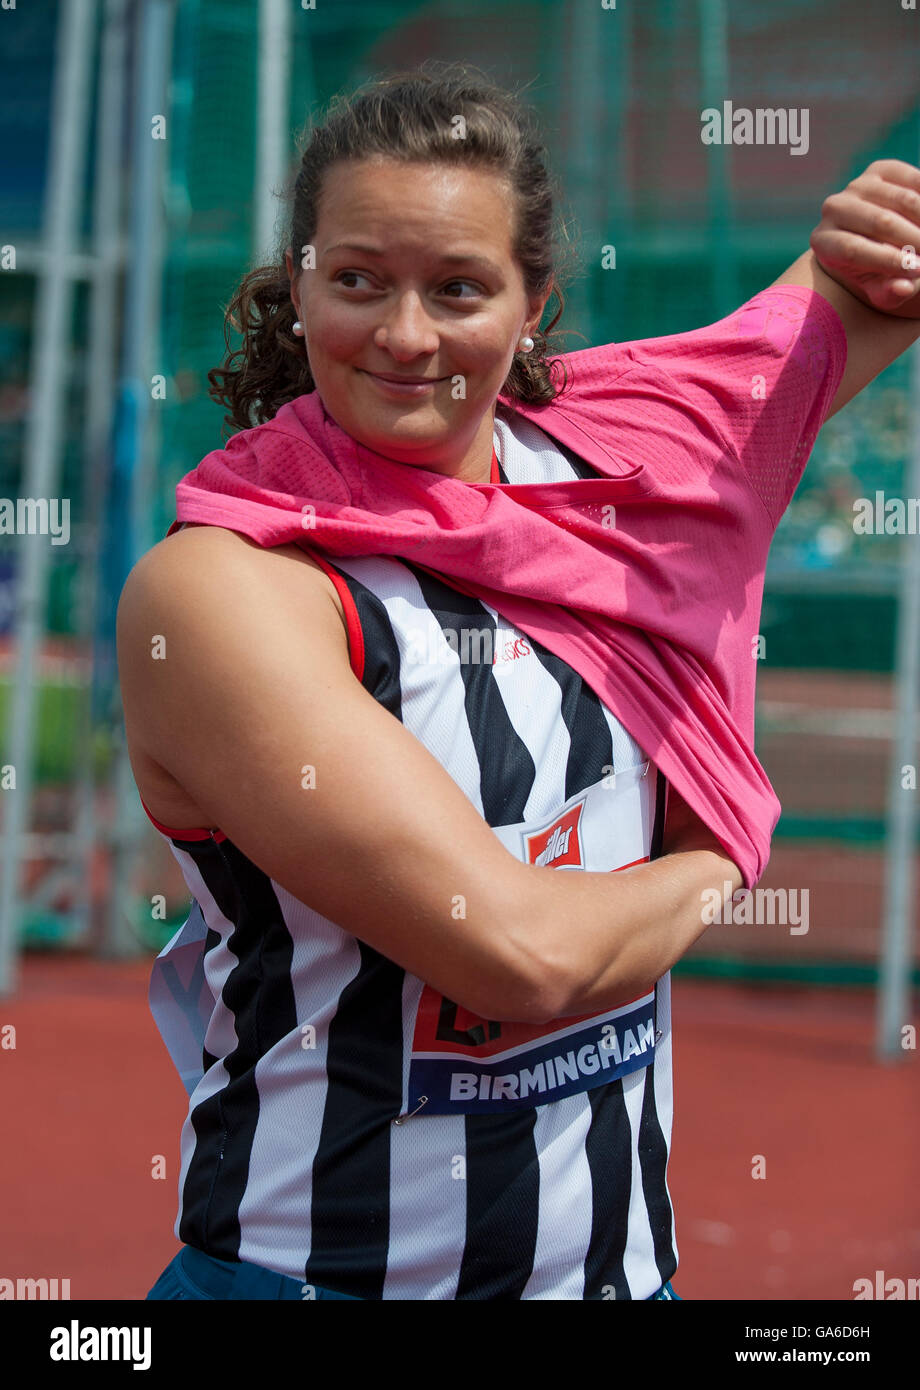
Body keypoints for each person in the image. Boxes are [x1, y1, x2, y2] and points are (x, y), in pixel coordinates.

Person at [118, 64, 920, 1301]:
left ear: (532, 303)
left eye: (457, 288)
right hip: (317, 1284)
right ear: (301, 286)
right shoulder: (230, 590)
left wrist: (883, 224)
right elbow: (516, 957)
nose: (403, 335)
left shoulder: (638, 472)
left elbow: (853, 296)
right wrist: (718, 857)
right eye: (357, 281)